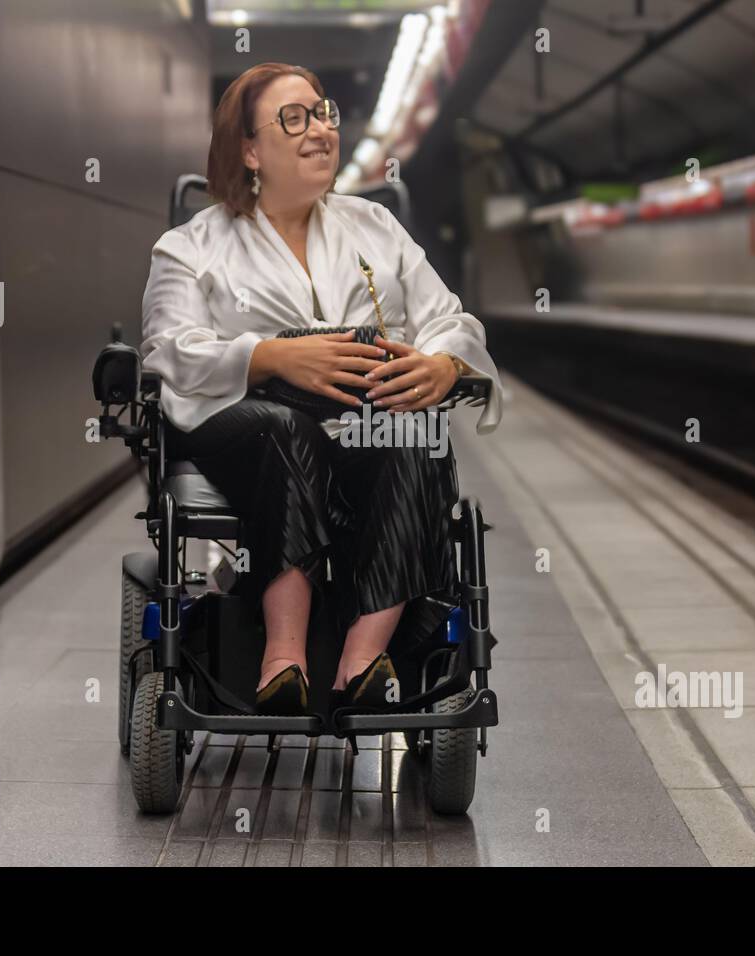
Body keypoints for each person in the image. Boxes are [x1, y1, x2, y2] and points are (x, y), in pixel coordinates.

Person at [140, 62, 501, 717]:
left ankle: (363, 662)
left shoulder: (375, 229)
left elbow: (448, 318)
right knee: (286, 430)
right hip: (244, 421)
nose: (320, 130)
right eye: (294, 118)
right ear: (249, 149)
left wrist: (445, 366)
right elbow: (169, 351)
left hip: (363, 418)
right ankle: (285, 659)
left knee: (414, 431)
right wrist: (271, 357)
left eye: (323, 112)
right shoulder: (191, 247)